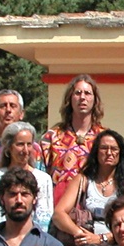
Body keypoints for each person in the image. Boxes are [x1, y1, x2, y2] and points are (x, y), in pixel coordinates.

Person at [53, 128, 124, 246]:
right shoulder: (82, 180)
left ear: (120, 154)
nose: (109, 153)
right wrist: (81, 234)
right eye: (104, 148)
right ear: (96, 152)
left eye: (114, 149)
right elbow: (59, 214)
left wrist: (102, 238)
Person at [0, 122, 55, 235]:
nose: (25, 150)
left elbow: (44, 219)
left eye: (29, 144)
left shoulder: (43, 179)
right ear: (9, 147)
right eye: (20, 144)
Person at [42, 74, 104, 205]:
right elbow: (40, 177)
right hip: (58, 209)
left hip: (94, 209)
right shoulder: (51, 137)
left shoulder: (104, 138)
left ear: (95, 100)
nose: (82, 97)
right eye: (77, 93)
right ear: (69, 99)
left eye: (87, 93)